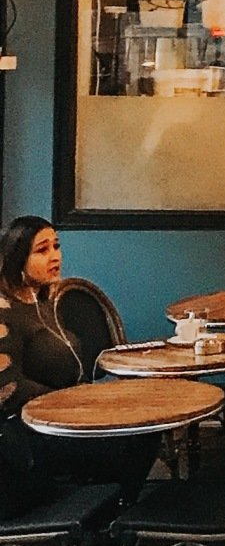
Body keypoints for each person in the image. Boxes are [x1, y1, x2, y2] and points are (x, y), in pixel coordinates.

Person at [0, 217, 153, 508]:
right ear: (16, 256)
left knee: (145, 428)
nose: (55, 256)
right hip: (30, 435)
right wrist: (70, 401)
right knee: (131, 441)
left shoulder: (44, 303)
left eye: (56, 246)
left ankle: (116, 513)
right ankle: (109, 521)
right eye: (42, 250)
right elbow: (6, 390)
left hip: (72, 417)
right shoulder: (4, 312)